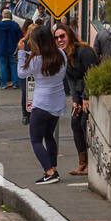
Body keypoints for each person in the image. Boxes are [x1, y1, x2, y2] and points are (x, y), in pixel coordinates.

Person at [18, 23, 66, 184]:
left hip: (41, 102)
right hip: (58, 101)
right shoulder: (61, 54)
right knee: (49, 136)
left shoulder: (36, 60)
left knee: (36, 139)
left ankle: (49, 171)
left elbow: (21, 73)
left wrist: (21, 53)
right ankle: (53, 167)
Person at [57, 21, 98, 176]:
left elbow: (92, 73)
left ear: (70, 36)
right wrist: (76, 100)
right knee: (75, 123)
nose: (60, 40)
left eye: (62, 36)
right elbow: (70, 80)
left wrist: (87, 97)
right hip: (79, 95)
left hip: (92, 92)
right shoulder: (64, 56)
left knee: (84, 124)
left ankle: (91, 163)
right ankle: (82, 163)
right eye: (57, 38)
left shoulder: (84, 51)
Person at [0, 8, 22, 88]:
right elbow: (20, 37)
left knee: (3, 66)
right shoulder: (15, 25)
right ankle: (15, 83)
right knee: (13, 65)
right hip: (13, 48)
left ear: (2, 16)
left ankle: (3, 83)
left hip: (1, 48)